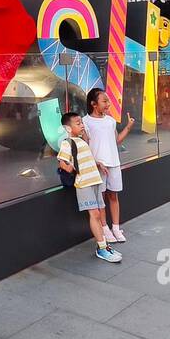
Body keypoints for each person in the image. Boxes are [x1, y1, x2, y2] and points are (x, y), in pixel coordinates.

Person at [57, 113, 121, 264]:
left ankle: (104, 245)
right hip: (84, 183)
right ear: (68, 127)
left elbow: (88, 157)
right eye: (78, 123)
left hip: (94, 181)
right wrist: (70, 168)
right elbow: (62, 162)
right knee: (95, 214)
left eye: (81, 123)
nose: (82, 125)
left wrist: (98, 164)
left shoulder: (81, 142)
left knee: (98, 214)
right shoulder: (67, 143)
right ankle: (102, 247)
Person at [82, 88, 135, 244]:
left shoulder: (110, 121)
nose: (108, 104)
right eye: (104, 101)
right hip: (98, 166)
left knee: (113, 195)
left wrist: (128, 127)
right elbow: (85, 145)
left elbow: (117, 140)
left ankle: (116, 228)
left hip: (114, 163)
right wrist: (95, 163)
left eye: (108, 101)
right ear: (93, 104)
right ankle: (104, 228)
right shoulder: (86, 122)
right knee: (101, 198)